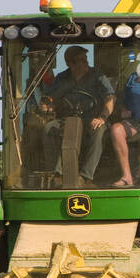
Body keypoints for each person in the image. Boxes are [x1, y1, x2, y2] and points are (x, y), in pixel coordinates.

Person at [45, 46, 114, 185]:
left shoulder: (97, 76)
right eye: (82, 60)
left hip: (92, 119)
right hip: (67, 119)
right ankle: (56, 173)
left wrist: (102, 118)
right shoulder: (61, 78)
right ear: (70, 64)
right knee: (49, 128)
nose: (86, 63)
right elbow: (50, 100)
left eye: (86, 59)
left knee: (99, 131)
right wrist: (47, 106)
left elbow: (110, 98)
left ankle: (86, 176)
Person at [110, 66, 140, 187]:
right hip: (136, 123)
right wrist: (123, 109)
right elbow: (121, 99)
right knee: (116, 130)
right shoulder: (132, 79)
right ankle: (127, 177)